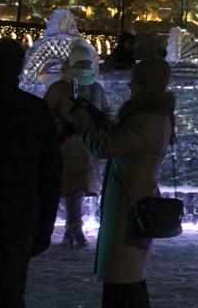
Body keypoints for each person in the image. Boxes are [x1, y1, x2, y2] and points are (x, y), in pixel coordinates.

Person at [69, 56, 176, 308]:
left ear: (145, 84)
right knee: (129, 279)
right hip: (136, 203)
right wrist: (103, 123)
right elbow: (122, 140)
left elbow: (103, 147)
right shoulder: (157, 116)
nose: (130, 86)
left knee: (123, 281)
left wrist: (80, 120)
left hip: (127, 211)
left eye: (134, 81)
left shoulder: (145, 120)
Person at [0, 37, 62, 308]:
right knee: (10, 297)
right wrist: (44, 227)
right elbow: (51, 175)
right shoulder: (36, 110)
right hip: (18, 218)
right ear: (19, 69)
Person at [43, 41, 110, 249]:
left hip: (71, 146)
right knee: (75, 189)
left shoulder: (59, 87)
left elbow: (45, 116)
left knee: (70, 188)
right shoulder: (94, 88)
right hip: (84, 146)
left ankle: (69, 228)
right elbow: (106, 113)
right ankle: (73, 228)